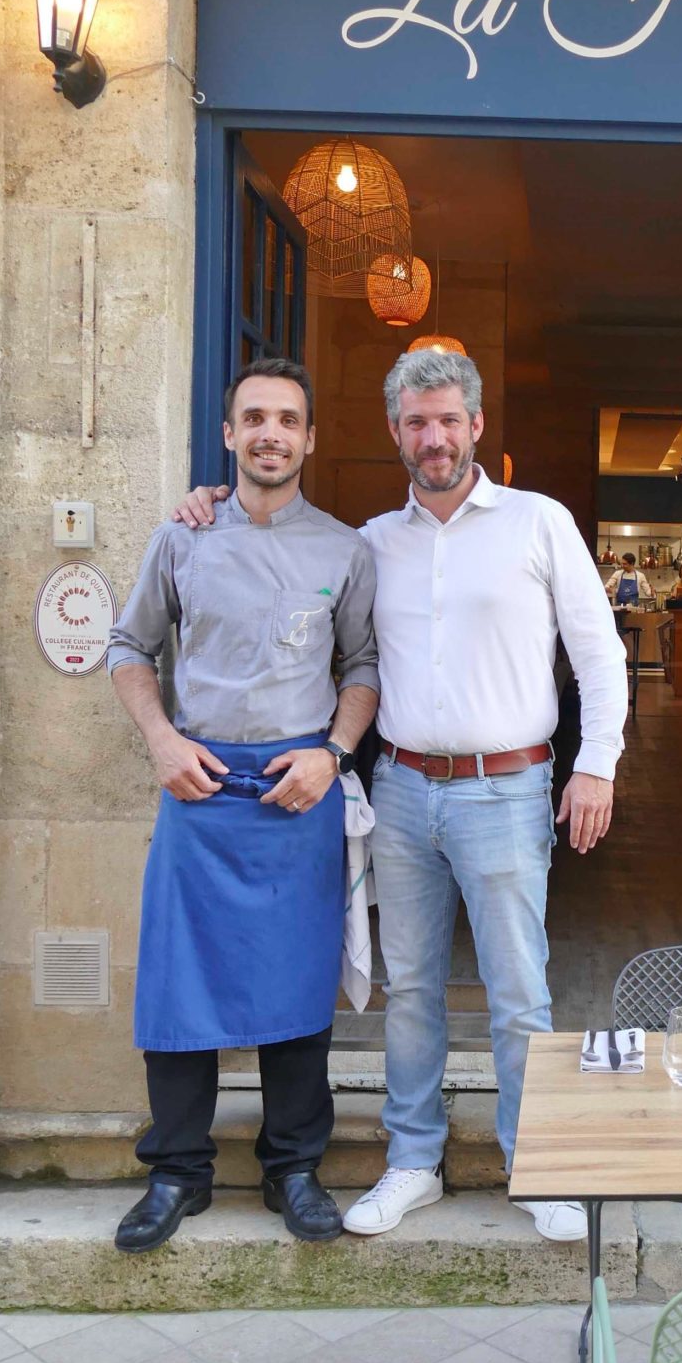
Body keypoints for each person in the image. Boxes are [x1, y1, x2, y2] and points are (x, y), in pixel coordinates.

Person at [171, 347, 628, 1243]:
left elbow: (600, 650)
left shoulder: (539, 523)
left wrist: (597, 763)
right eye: (417, 423)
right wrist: (210, 504)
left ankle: (533, 1164)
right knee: (410, 986)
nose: (434, 437)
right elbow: (324, 623)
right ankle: (414, 1159)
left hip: (509, 787)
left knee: (518, 987)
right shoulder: (370, 541)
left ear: (476, 427)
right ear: (395, 432)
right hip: (403, 789)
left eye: (449, 420)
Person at [108, 358, 379, 1251]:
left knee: (298, 986)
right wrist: (161, 740)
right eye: (253, 418)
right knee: (177, 986)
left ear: (309, 438)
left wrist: (332, 754)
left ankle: (293, 1169)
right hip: (198, 783)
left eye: (288, 419)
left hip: (297, 793)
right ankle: (177, 1173)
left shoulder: (345, 548)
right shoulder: (181, 538)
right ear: (228, 435)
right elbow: (129, 646)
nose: (271, 433)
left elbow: (363, 670)